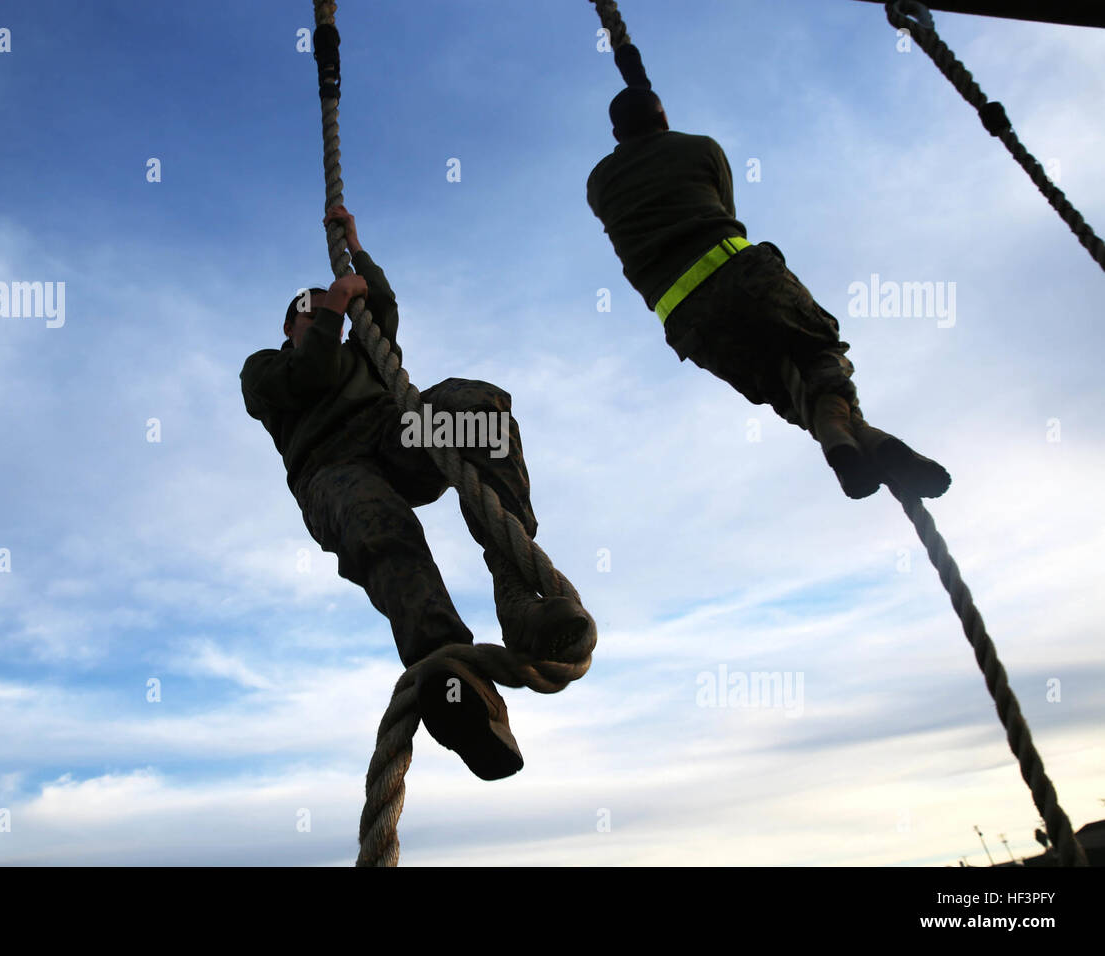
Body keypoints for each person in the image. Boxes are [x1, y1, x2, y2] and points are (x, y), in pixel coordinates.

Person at [241, 206, 594, 780]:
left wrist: (356, 251)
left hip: (392, 434)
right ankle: (456, 679)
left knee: (476, 407)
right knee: (379, 528)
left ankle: (516, 594)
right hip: (330, 466)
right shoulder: (262, 369)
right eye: (306, 311)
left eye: (325, 306)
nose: (320, 313)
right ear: (289, 326)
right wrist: (332, 305)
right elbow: (311, 376)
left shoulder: (367, 355)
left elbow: (381, 309)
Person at [586, 86, 950, 500]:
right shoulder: (701, 149)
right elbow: (726, 211)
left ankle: (854, 439)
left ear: (616, 134)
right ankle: (858, 435)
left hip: (690, 320)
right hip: (740, 272)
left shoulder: (598, 183)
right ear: (664, 119)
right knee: (818, 351)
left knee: (784, 389)